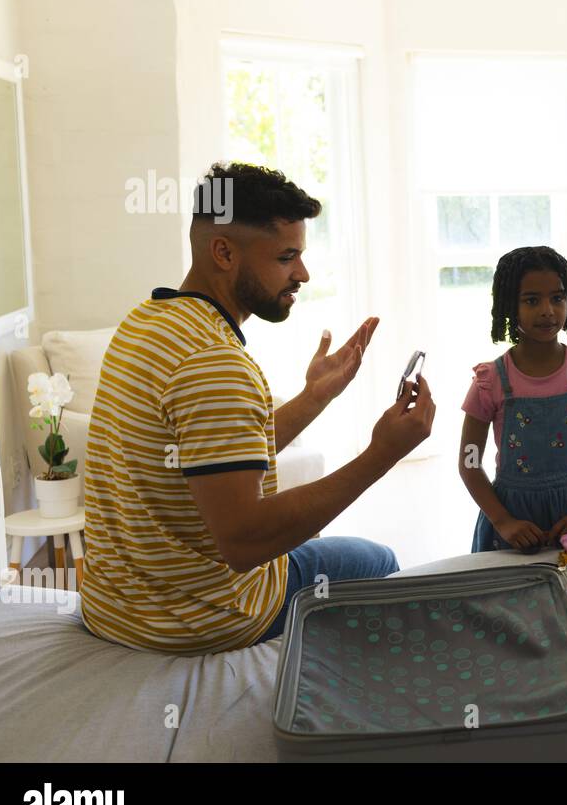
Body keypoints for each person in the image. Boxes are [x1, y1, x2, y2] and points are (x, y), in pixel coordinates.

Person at [80, 162, 435, 654]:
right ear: (223, 252)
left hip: (116, 606)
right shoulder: (216, 363)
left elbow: (213, 458)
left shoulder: (146, 323)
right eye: (287, 257)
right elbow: (245, 542)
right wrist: (383, 454)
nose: (303, 274)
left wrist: (315, 397)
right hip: (195, 619)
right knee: (379, 560)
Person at [459, 246, 567, 553]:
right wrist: (503, 520)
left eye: (557, 297)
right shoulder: (489, 382)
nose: (548, 310)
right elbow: (469, 461)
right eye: (532, 300)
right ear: (510, 305)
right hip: (510, 526)